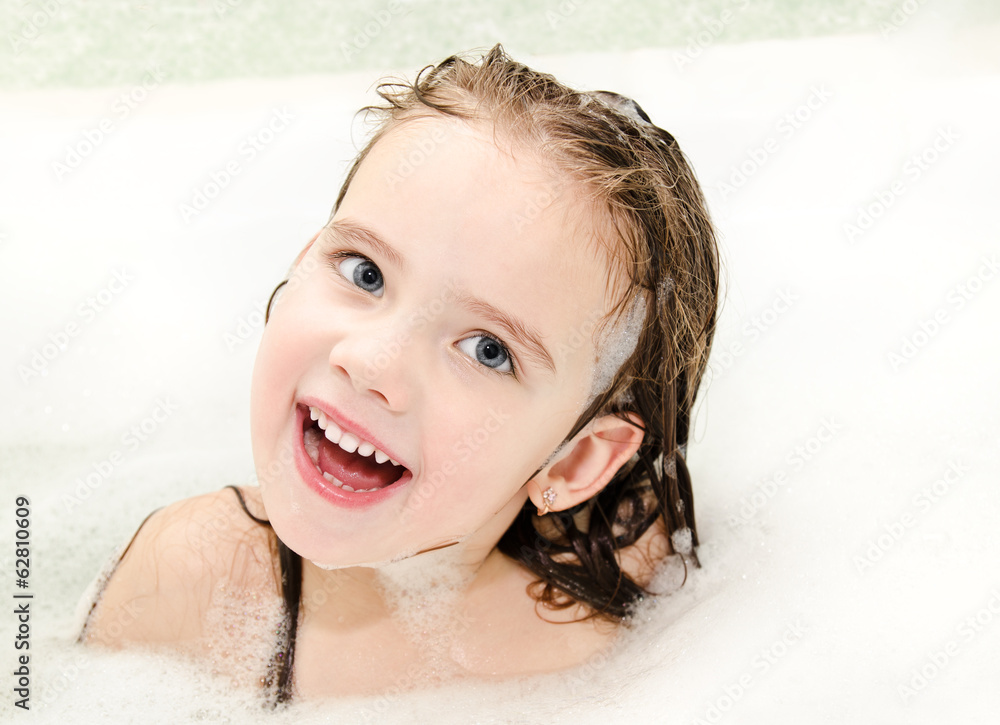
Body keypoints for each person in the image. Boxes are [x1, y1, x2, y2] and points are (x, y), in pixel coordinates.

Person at [78, 43, 720, 705]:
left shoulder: (621, 623)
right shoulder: (201, 576)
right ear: (302, 262)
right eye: (366, 272)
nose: (372, 361)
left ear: (577, 462)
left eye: (487, 349)